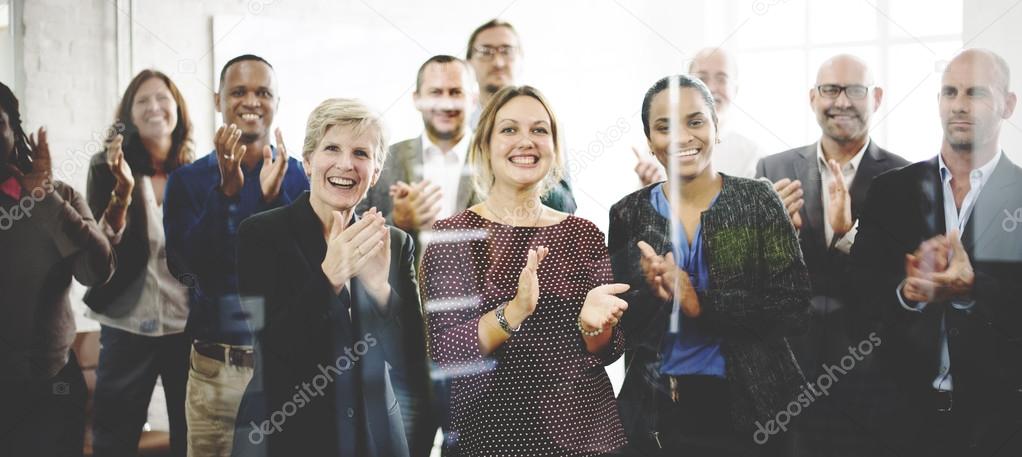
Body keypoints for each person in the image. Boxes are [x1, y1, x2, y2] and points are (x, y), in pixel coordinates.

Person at [422, 85, 629, 456]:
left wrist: (595, 324)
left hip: (586, 439)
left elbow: (607, 350)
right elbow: (446, 351)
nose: (526, 141)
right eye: (509, 129)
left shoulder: (583, 233)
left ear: (554, 146)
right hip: (489, 438)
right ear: (484, 145)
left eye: (539, 130)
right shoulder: (452, 235)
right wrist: (513, 312)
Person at [611, 75, 810, 456]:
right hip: (657, 411)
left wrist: (699, 302)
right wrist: (651, 294)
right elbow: (623, 326)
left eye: (696, 121)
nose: (683, 137)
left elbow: (794, 308)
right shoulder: (627, 213)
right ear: (651, 141)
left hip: (753, 409)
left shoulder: (757, 199)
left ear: (716, 128)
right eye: (664, 126)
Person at [851, 48, 1022, 456]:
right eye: (949, 92)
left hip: (1000, 424)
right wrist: (906, 293)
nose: (959, 105)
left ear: (1008, 105)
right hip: (901, 421)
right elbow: (857, 295)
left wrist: (972, 289)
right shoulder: (891, 191)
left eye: (976, 93)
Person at [231, 98, 411, 457]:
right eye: (332, 148)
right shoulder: (260, 234)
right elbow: (274, 346)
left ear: (375, 171)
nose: (346, 163)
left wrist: (380, 290)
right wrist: (330, 276)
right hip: (286, 432)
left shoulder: (394, 241)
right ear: (309, 160)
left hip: (376, 437)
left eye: (361, 153)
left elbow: (408, 357)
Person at [755, 55, 909, 455]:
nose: (842, 101)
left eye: (855, 90)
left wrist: (849, 234)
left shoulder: (906, 179)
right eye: (830, 90)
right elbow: (750, 281)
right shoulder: (773, 168)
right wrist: (775, 235)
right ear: (812, 98)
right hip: (788, 379)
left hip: (869, 379)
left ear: (876, 97)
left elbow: (901, 286)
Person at [163, 54, 308, 457]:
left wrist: (269, 204)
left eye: (263, 92)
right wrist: (226, 196)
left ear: (277, 101)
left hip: (286, 369)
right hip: (215, 370)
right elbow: (188, 269)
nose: (251, 101)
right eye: (239, 91)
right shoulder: (188, 181)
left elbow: (302, 276)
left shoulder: (300, 178)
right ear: (218, 100)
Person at [357, 54, 476, 457]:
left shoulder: (496, 158)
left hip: (473, 346)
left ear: (472, 98)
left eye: (456, 92)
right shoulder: (383, 159)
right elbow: (353, 236)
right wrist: (397, 221)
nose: (445, 102)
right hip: (403, 345)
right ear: (416, 98)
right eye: (436, 92)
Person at [0, 81, 115, 457]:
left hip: (50, 388)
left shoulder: (58, 197)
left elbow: (98, 272)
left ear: (13, 132)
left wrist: (43, 199)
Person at [86, 70, 195, 457]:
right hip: (127, 323)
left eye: (162, 98)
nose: (154, 107)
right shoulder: (106, 166)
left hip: (187, 325)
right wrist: (122, 194)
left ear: (177, 107)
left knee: (192, 433)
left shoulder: (197, 172)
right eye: (142, 100)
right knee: (115, 436)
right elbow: (101, 246)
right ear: (129, 115)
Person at [466, 19, 577, 214]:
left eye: (506, 51)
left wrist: (530, 180)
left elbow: (567, 204)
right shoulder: (456, 128)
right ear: (469, 63)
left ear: (521, 58)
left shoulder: (548, 121)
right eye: (485, 52)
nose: (498, 62)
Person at [633, 48, 763, 185]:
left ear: (735, 89)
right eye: (701, 78)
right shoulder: (660, 149)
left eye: (722, 79)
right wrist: (647, 190)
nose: (711, 88)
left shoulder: (754, 156)